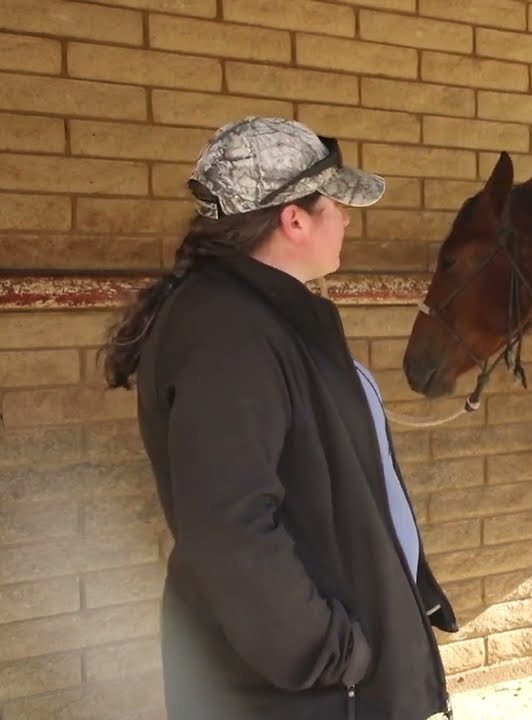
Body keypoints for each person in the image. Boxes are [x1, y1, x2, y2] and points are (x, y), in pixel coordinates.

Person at [100, 116, 457, 720]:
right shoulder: (228, 334)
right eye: (335, 205)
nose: (346, 220)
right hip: (300, 694)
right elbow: (231, 526)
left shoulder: (267, 315)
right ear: (294, 219)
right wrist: (329, 650)